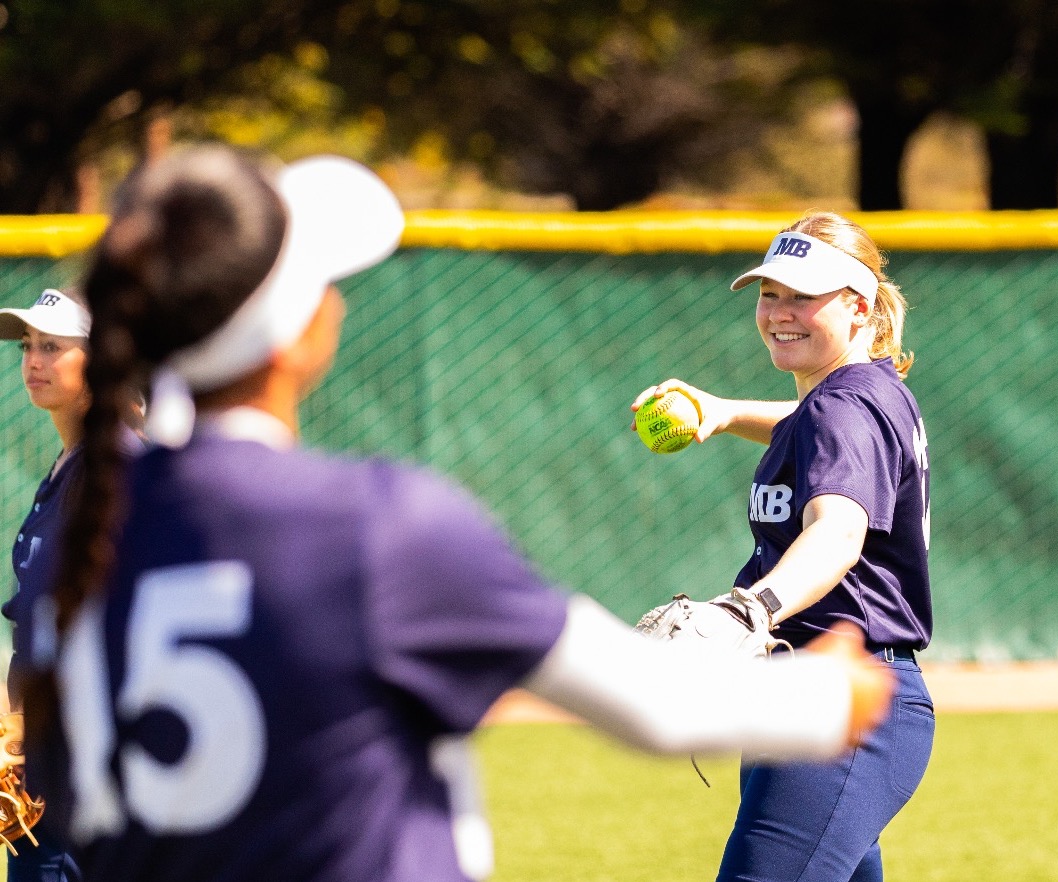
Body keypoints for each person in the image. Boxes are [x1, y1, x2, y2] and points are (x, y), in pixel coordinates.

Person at [11, 145, 893, 882]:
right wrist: (824, 700)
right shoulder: (377, 526)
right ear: (308, 335)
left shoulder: (77, 544)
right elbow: (654, 706)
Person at [630, 212, 935, 882]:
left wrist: (751, 609)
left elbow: (838, 530)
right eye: (770, 294)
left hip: (840, 702)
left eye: (803, 295)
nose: (779, 312)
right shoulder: (869, 394)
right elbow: (806, 423)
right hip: (822, 698)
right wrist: (724, 411)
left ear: (858, 307)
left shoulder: (843, 409)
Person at [1, 288, 93, 882]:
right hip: (43, 773)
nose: (33, 360)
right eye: (29, 346)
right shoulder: (66, 467)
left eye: (53, 347)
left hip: (77, 775)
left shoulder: (112, 474)